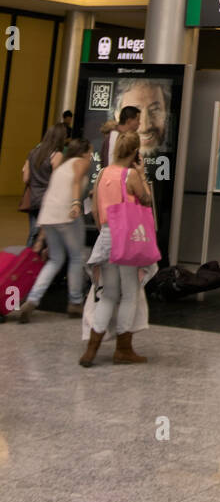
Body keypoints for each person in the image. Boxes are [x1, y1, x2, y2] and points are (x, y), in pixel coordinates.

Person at [80, 131, 153, 367]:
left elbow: (94, 210)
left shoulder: (103, 173)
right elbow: (146, 200)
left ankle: (91, 351)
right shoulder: (130, 174)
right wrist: (142, 175)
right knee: (130, 294)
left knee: (109, 294)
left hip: (106, 236)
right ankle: (123, 349)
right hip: (127, 239)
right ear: (135, 153)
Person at [14, 138, 94, 321]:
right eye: (89, 152)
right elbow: (75, 183)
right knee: (76, 257)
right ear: (82, 152)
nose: (91, 156)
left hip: (49, 215)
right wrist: (75, 204)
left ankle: (33, 299)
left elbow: (52, 193)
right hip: (68, 215)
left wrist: (41, 237)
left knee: (55, 260)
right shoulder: (81, 162)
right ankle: (75, 302)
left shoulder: (62, 167)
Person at [22, 123, 69, 247]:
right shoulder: (57, 155)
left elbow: (26, 178)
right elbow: (57, 181)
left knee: (33, 233)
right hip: (48, 200)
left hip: (34, 198)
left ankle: (26, 261)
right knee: (46, 238)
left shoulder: (33, 153)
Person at [99, 105, 140, 170]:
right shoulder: (114, 136)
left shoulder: (129, 138)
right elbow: (109, 164)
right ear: (129, 121)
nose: (139, 123)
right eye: (137, 120)